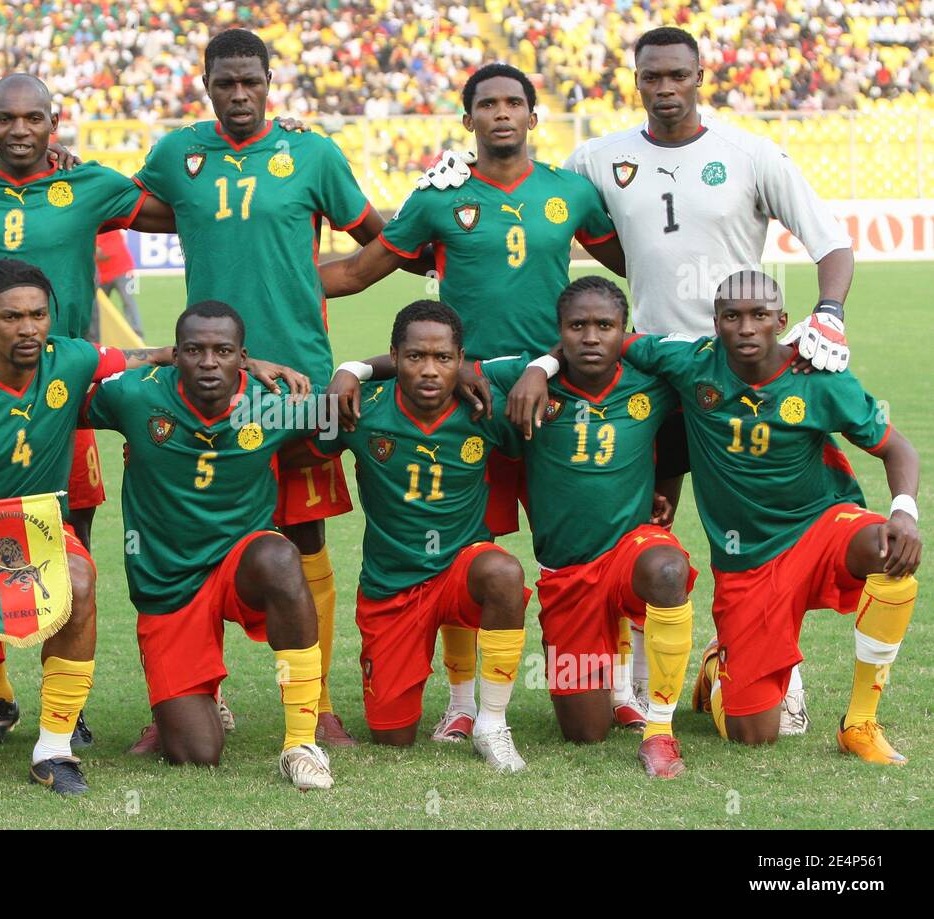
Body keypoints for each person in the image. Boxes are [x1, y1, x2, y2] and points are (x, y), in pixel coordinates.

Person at [433, 28, 857, 734]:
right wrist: (463, 171)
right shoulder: (600, 157)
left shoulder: (749, 154)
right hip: (644, 373)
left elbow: (831, 240)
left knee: (750, 527)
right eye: (651, 77)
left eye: (678, 75)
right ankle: (630, 681)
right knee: (640, 518)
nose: (666, 88)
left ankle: (778, 672)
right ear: (635, 80)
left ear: (700, 76)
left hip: (735, 372)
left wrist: (830, 312)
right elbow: (534, 200)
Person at [0, 260, 294, 793]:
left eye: (38, 314)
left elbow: (158, 355)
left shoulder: (72, 358)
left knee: (78, 582)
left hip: (41, 532)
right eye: (12, 316)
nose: (29, 327)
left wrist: (249, 363)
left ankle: (54, 748)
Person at [321, 63, 627, 741]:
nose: (501, 114)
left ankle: (622, 682)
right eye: (486, 104)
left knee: (580, 549)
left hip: (551, 395)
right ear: (468, 122)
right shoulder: (438, 199)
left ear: (533, 115)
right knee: (472, 549)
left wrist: (551, 360)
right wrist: (270, 278)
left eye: (514, 102)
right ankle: (466, 703)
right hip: (471, 400)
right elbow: (357, 270)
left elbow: (634, 268)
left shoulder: (570, 193)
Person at [130, 28, 391, 747]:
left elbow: (376, 237)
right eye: (225, 83)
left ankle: (317, 702)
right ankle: (192, 695)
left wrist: (328, 282)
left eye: (251, 82)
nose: (239, 95)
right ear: (206, 83)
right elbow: (132, 209)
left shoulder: (312, 152)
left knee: (303, 538)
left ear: (270, 81)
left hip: (300, 378)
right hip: (206, 383)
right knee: (192, 534)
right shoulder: (176, 155)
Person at [614, 270, 919, 760]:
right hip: (746, 559)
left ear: (782, 321)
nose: (747, 328)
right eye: (733, 316)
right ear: (715, 323)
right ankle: (719, 664)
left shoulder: (818, 378)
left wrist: (903, 511)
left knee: (889, 548)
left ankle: (861, 722)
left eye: (759, 316)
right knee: (752, 733)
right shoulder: (691, 364)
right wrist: (540, 367)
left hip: (819, 525)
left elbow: (896, 448)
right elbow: (610, 338)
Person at [83, 300, 333, 790]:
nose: (208, 362)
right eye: (194, 350)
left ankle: (301, 743)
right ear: (175, 355)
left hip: (242, 567)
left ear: (244, 358)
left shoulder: (275, 399)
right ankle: (202, 694)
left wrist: (354, 372)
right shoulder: (134, 396)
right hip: (169, 581)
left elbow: (354, 411)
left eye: (223, 351)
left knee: (280, 555)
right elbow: (53, 392)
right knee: (197, 754)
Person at [295, 301, 533, 771]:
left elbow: (540, 430)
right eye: (415, 357)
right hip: (392, 586)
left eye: (443, 358)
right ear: (393, 356)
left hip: (460, 573)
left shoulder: (485, 405)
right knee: (392, 735)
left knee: (503, 571)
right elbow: (293, 443)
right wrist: (349, 371)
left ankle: (490, 722)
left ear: (461, 360)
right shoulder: (357, 408)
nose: (429, 370)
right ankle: (424, 696)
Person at [478, 277, 695, 778]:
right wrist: (539, 366)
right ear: (559, 333)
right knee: (584, 731)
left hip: (629, 555)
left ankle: (660, 730)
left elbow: (717, 367)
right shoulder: (527, 381)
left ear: (624, 331)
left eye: (605, 325)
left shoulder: (650, 381)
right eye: (578, 326)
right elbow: (458, 371)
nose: (592, 337)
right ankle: (613, 682)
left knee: (668, 568)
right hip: (567, 573)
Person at [93, 228, 143, 340]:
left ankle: (137, 335)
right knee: (95, 307)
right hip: (102, 276)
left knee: (129, 302)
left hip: (124, 271)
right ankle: (96, 337)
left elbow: (104, 254)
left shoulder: (111, 230)